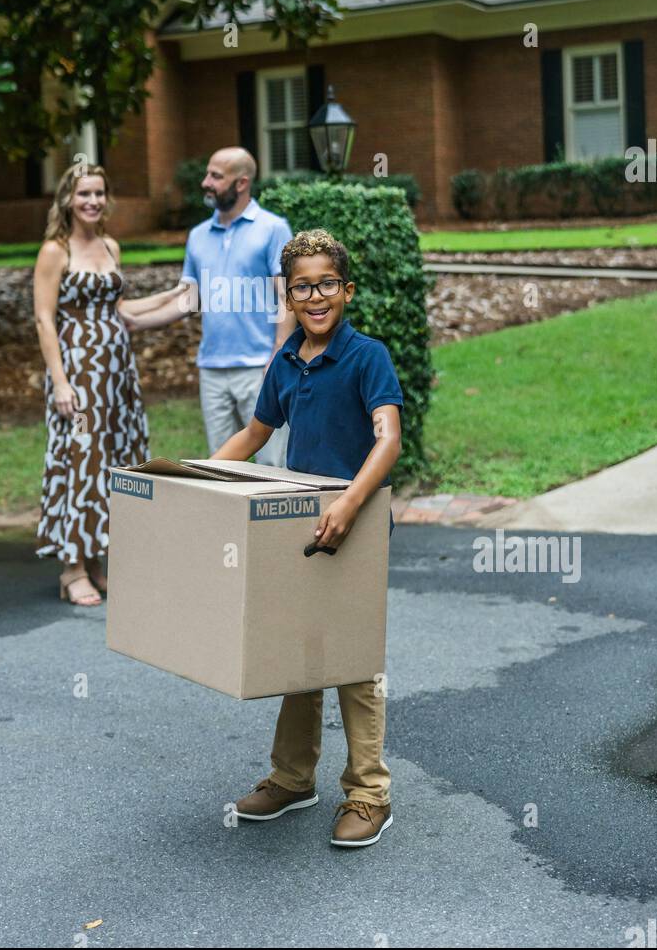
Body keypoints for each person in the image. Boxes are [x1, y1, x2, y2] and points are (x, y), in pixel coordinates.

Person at [211, 227, 403, 848]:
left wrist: (350, 502)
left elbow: (388, 439)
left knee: (353, 661)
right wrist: (199, 480)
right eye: (302, 287)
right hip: (302, 524)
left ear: (346, 290)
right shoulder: (286, 360)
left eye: (326, 284)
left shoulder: (367, 356)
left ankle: (370, 793)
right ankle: (293, 778)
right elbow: (255, 435)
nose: (315, 296)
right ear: (287, 296)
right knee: (301, 653)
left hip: (360, 523)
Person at [33, 162, 187, 605]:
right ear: (67, 199)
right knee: (80, 459)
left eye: (99, 193)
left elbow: (123, 310)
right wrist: (60, 383)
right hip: (77, 372)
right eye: (84, 194)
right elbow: (44, 319)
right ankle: (72, 567)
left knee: (113, 459)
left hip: (117, 373)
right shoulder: (54, 251)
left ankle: (98, 558)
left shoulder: (110, 246)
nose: (93, 201)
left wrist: (178, 298)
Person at [132, 147, 296, 466]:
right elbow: (189, 299)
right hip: (212, 368)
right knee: (220, 469)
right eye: (208, 174)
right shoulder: (197, 236)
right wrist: (136, 321)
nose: (206, 182)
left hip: (259, 366)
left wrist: (277, 354)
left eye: (216, 176)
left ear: (241, 183)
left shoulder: (272, 228)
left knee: (273, 464)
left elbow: (286, 296)